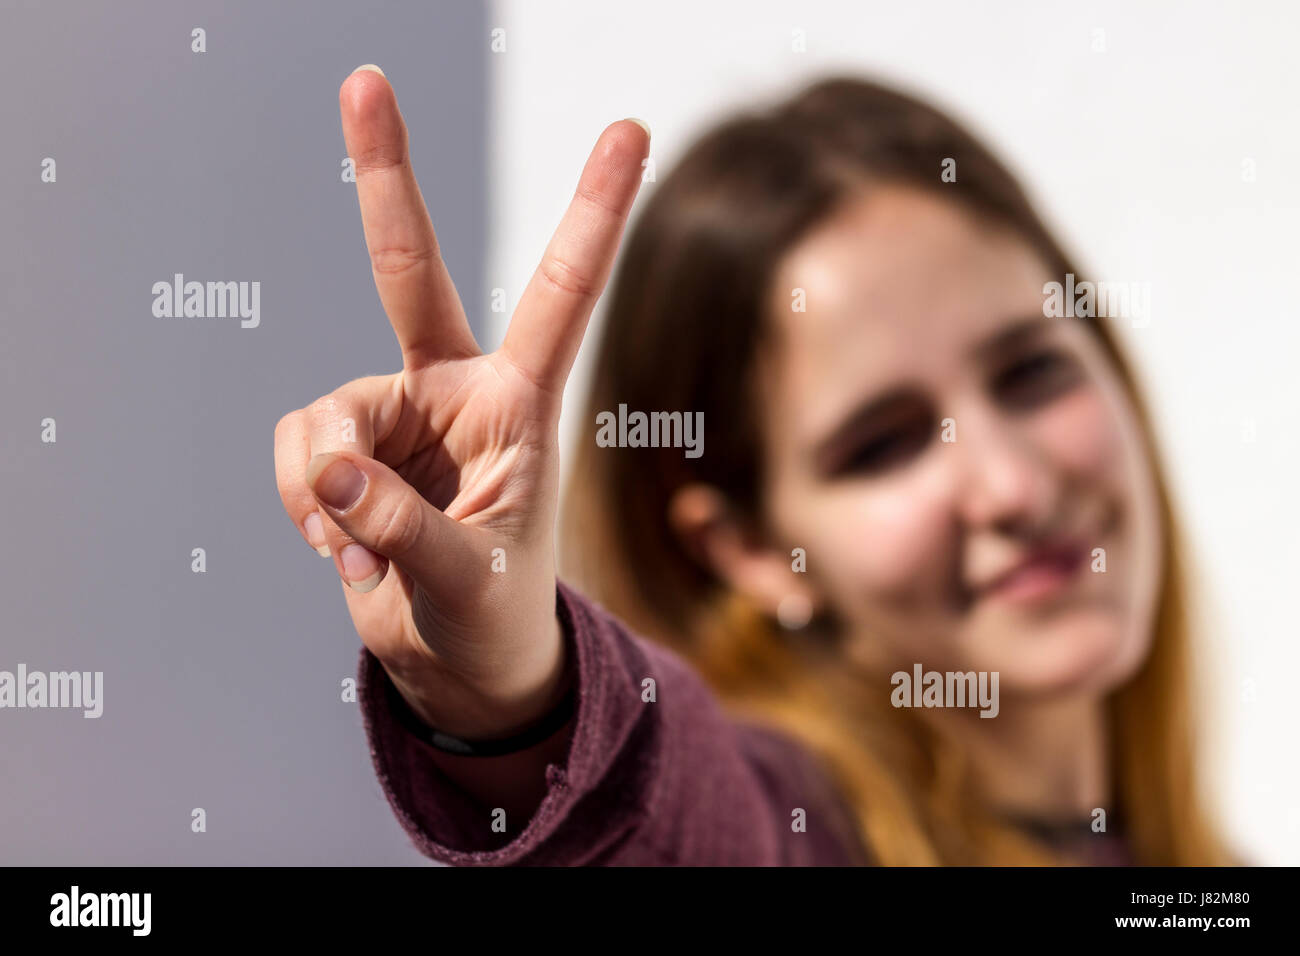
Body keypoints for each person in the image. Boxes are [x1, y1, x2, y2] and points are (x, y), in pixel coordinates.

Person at [273, 65, 1233, 865]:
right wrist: (511, 699)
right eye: (882, 447)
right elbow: (662, 815)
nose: (1014, 485)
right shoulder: (799, 831)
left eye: (1030, 372)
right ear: (747, 550)